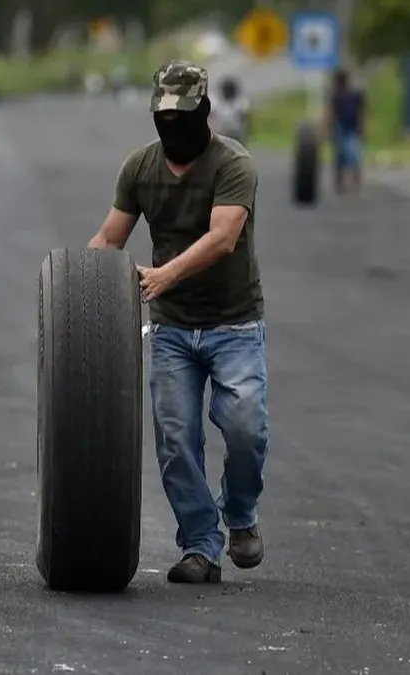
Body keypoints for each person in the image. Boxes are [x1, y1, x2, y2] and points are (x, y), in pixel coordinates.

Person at [87, 61, 268, 584]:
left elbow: (223, 237)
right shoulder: (139, 169)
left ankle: (242, 516)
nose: (172, 129)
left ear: (204, 112)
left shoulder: (233, 165)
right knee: (174, 439)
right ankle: (201, 546)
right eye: (163, 119)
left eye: (182, 118)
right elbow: (108, 240)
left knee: (244, 429)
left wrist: (164, 275)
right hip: (171, 329)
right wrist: (75, 296)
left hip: (234, 324)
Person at [324, 68, 366, 194]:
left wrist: (363, 126)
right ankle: (341, 183)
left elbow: (361, 112)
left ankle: (354, 183)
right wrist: (326, 129)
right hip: (341, 128)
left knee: (354, 156)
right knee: (342, 157)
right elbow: (331, 114)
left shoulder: (355, 95)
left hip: (351, 128)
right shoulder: (336, 96)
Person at [209, 76, 250, 144]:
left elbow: (244, 116)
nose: (228, 91)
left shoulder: (240, 100)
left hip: (235, 131)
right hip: (218, 132)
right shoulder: (214, 99)